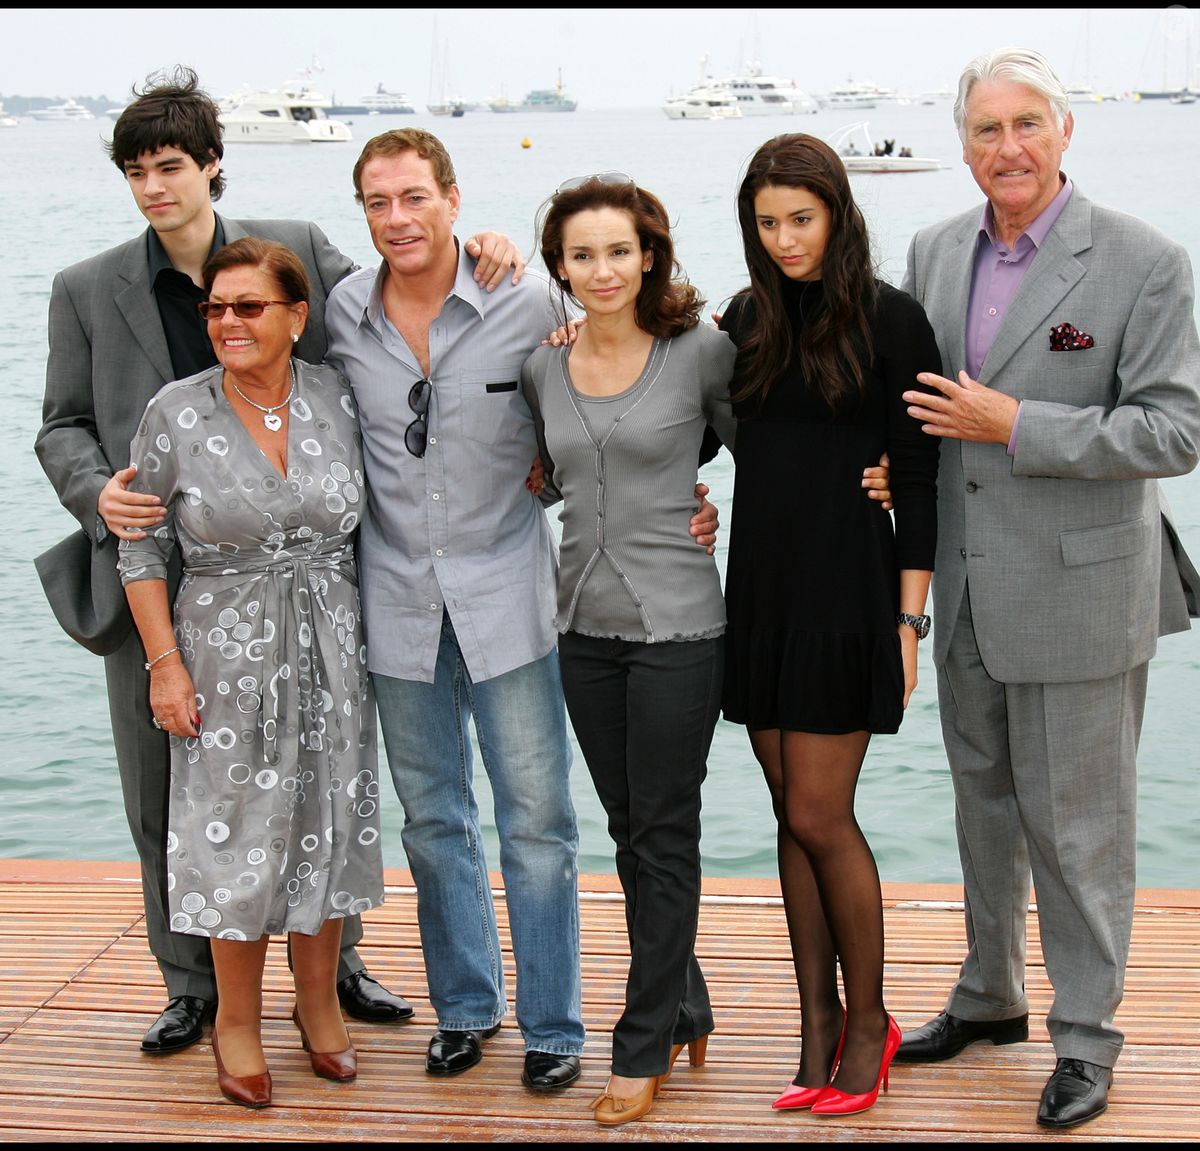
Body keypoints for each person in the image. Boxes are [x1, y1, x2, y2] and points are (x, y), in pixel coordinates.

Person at [33, 67, 519, 1056]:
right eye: (136, 171)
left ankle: (332, 974)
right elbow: (62, 424)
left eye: (169, 165)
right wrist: (101, 493)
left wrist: (485, 253)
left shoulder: (294, 251)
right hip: (167, 573)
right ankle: (192, 986)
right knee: (166, 789)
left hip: (310, 579)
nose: (154, 186)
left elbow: (395, 293)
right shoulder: (88, 289)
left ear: (211, 166)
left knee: (325, 784)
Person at [322, 129, 723, 1091]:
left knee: (538, 820)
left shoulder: (530, 298)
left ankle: (553, 1022)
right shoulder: (341, 313)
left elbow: (617, 400)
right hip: (395, 603)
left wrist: (687, 504)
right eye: (379, 203)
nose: (398, 218)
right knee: (431, 820)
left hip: (512, 593)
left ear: (454, 200)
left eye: (415, 196)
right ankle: (467, 1007)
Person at [895, 47, 1200, 1130]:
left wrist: (1016, 423)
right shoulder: (933, 250)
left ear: (1066, 132)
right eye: (986, 129)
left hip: (1081, 595)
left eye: (1027, 124)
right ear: (963, 142)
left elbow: (1174, 429)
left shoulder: (1144, 261)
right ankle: (991, 993)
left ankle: (1087, 1038)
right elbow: (917, 402)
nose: (1007, 148)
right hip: (969, 589)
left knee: (1080, 830)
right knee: (984, 808)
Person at [117, 237, 382, 1107]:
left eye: (249, 307)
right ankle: (236, 1018)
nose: (228, 322)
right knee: (232, 835)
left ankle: (317, 1004)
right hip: (223, 662)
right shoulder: (176, 412)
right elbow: (143, 546)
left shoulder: (339, 397)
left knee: (328, 821)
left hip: (336, 651)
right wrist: (165, 666)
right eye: (216, 308)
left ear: (296, 317)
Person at [718, 133, 941, 1118]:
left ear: (837, 214)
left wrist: (909, 618)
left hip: (847, 584)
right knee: (786, 811)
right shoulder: (743, 316)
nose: (784, 239)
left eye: (800, 219)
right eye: (767, 223)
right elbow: (684, 420)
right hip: (761, 583)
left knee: (819, 811)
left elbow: (921, 477)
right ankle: (815, 1023)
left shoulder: (892, 319)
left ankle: (869, 1023)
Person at [521, 173, 737, 1125]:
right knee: (629, 830)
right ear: (559, 268)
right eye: (581, 254)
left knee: (664, 827)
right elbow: (548, 478)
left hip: (681, 629)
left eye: (618, 250)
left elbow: (753, 452)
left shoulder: (702, 352)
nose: (601, 269)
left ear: (649, 254)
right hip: (581, 629)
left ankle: (639, 1042)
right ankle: (684, 998)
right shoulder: (542, 365)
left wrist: (713, 511)